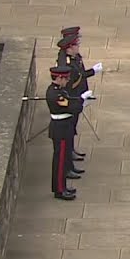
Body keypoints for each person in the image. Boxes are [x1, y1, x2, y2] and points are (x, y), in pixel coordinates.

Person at [58, 30, 101, 160]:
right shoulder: (67, 62)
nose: (78, 46)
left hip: (79, 94)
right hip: (73, 96)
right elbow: (77, 77)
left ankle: (71, 150)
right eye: (76, 44)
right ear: (70, 47)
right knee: (70, 127)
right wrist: (93, 71)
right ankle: (69, 153)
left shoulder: (75, 56)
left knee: (73, 126)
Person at [46, 64, 84, 200]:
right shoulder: (55, 94)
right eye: (66, 78)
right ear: (60, 78)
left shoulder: (60, 90)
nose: (67, 81)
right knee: (60, 161)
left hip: (64, 128)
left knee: (63, 159)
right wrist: (81, 103)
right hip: (60, 129)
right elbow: (71, 107)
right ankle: (59, 190)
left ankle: (62, 187)